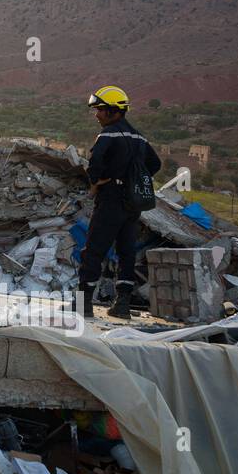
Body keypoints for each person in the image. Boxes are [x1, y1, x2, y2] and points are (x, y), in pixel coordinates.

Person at [77, 85, 162, 319]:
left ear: (114, 111)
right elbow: (155, 164)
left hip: (110, 201)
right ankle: (122, 304)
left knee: (94, 250)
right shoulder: (140, 137)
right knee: (126, 252)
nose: (97, 115)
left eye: (100, 110)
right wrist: (135, 179)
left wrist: (99, 180)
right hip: (132, 206)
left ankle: (83, 304)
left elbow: (94, 164)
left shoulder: (108, 134)